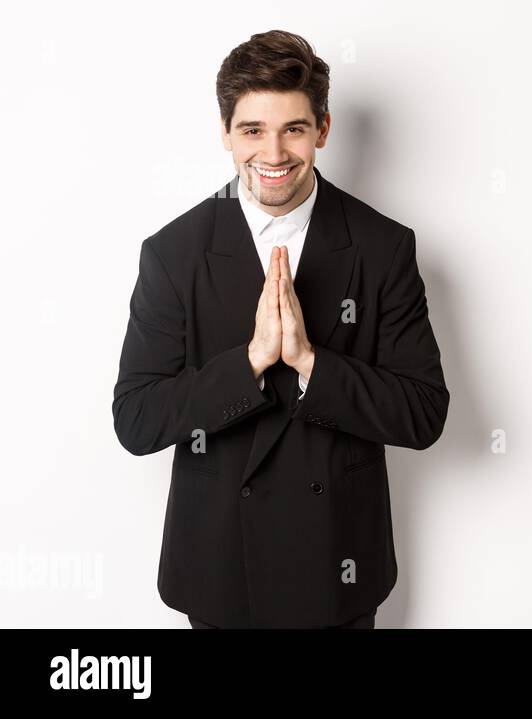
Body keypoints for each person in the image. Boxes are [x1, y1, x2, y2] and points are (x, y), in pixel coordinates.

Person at [112, 30, 450, 629]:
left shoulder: (384, 247)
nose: (273, 152)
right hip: (220, 572)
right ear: (225, 132)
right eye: (252, 130)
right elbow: (136, 420)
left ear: (322, 129)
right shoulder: (172, 253)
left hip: (337, 568)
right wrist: (249, 364)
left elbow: (423, 414)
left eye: (293, 128)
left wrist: (311, 363)